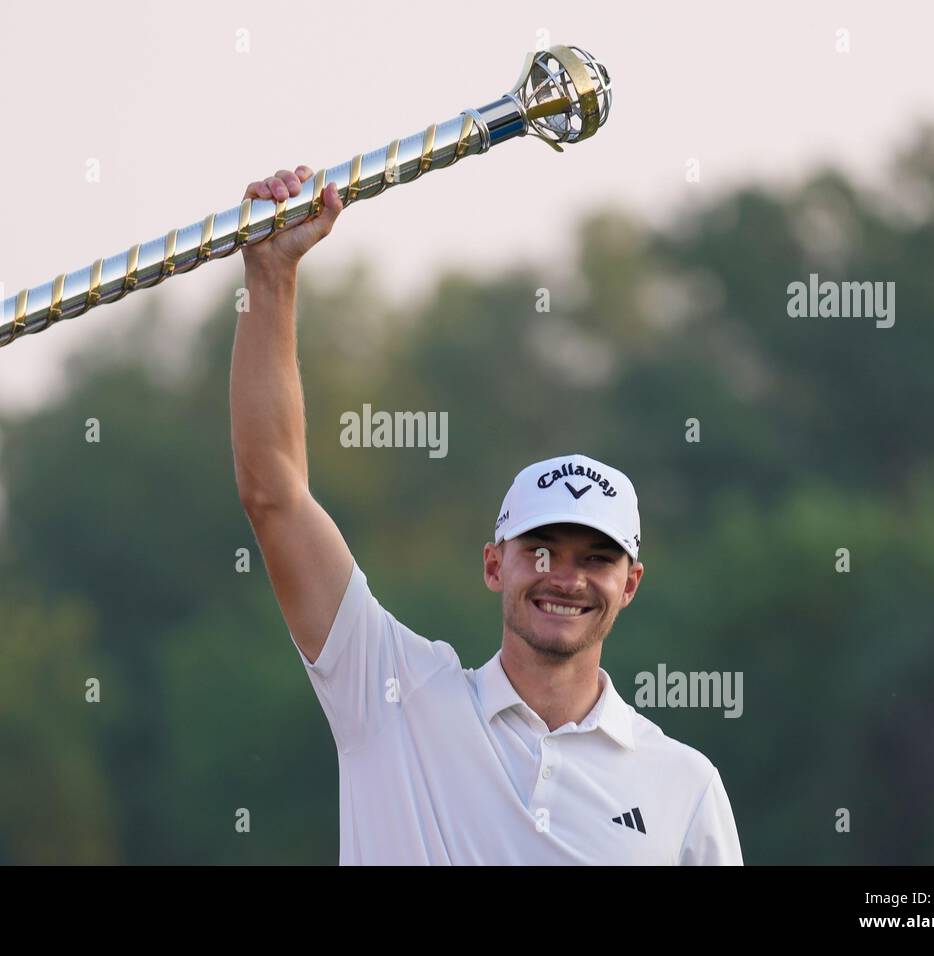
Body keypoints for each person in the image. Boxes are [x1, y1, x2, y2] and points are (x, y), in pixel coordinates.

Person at [231, 165, 742, 865]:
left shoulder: (683, 785)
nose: (565, 576)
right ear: (494, 562)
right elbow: (275, 496)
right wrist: (271, 279)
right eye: (541, 549)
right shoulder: (391, 698)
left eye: (595, 557)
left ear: (630, 584)